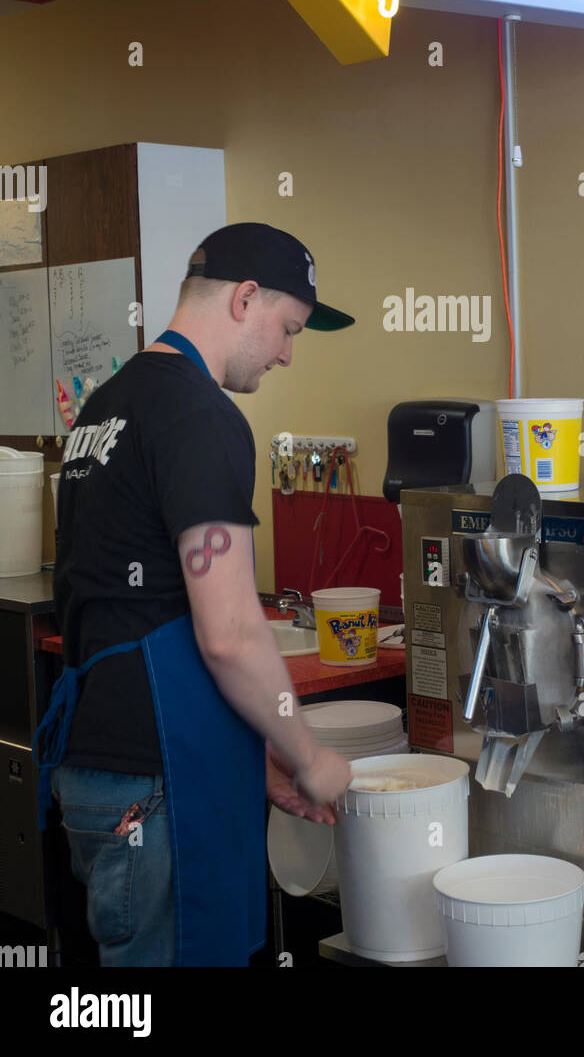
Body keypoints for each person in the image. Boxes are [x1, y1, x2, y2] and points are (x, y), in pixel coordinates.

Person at [33, 222, 353, 966]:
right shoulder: (201, 415)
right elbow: (231, 632)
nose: (285, 353)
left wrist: (256, 752)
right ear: (245, 298)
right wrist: (305, 752)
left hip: (108, 776)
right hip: (159, 785)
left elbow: (133, 599)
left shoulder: (104, 406)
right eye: (287, 328)